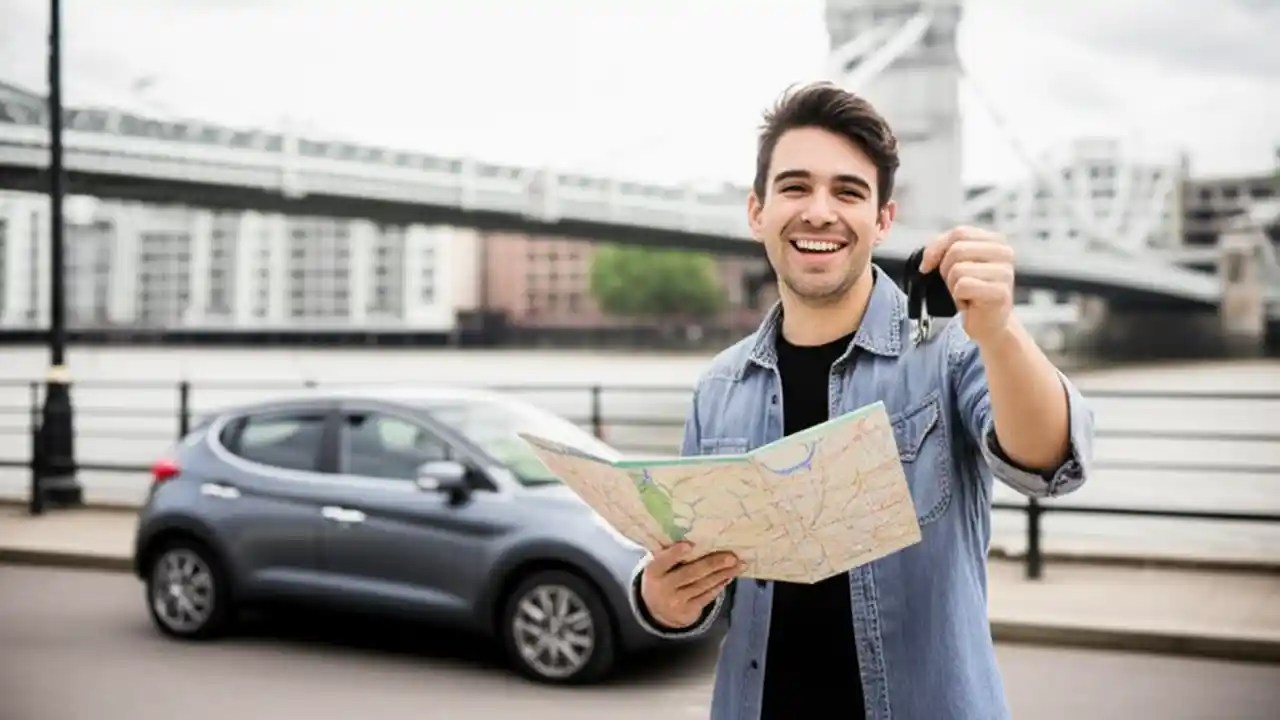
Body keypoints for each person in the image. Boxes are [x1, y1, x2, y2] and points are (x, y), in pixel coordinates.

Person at [625, 81, 1095, 720]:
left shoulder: (951, 351)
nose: (819, 211)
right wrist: (663, 600)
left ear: (882, 220)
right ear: (756, 211)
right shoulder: (718, 387)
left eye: (847, 192)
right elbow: (705, 591)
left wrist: (1002, 331)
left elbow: (1051, 462)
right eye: (795, 187)